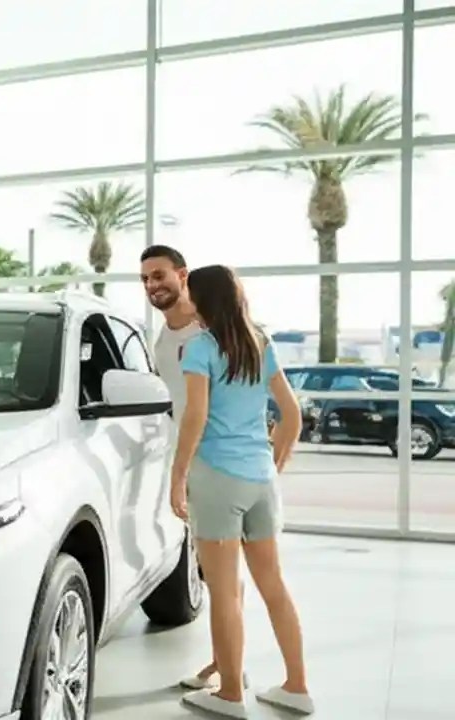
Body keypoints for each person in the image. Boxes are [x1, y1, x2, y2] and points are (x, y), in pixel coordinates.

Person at [169, 264, 313, 718]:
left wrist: (177, 477)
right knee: (273, 585)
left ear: (204, 300)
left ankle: (230, 693)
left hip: (216, 478)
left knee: (225, 592)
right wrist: (273, 467)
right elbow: (292, 415)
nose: (186, 301)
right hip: (259, 480)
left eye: (190, 293)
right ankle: (296, 686)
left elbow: (195, 417)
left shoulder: (201, 348)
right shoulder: (260, 342)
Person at [140, 245, 246, 690]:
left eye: (160, 275)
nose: (152, 286)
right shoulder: (161, 341)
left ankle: (229, 672)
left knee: (222, 576)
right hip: (190, 465)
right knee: (216, 573)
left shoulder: (212, 332)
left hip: (216, 466)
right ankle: (225, 662)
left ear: (183, 276)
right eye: (145, 279)